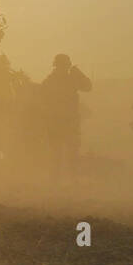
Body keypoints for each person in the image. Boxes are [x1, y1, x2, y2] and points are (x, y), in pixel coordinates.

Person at [42, 54, 92, 184]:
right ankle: (57, 180)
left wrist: (78, 74)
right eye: (63, 66)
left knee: (69, 152)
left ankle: (68, 180)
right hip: (60, 121)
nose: (63, 68)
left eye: (64, 66)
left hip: (66, 121)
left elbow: (88, 87)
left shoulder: (66, 79)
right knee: (58, 152)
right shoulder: (55, 80)